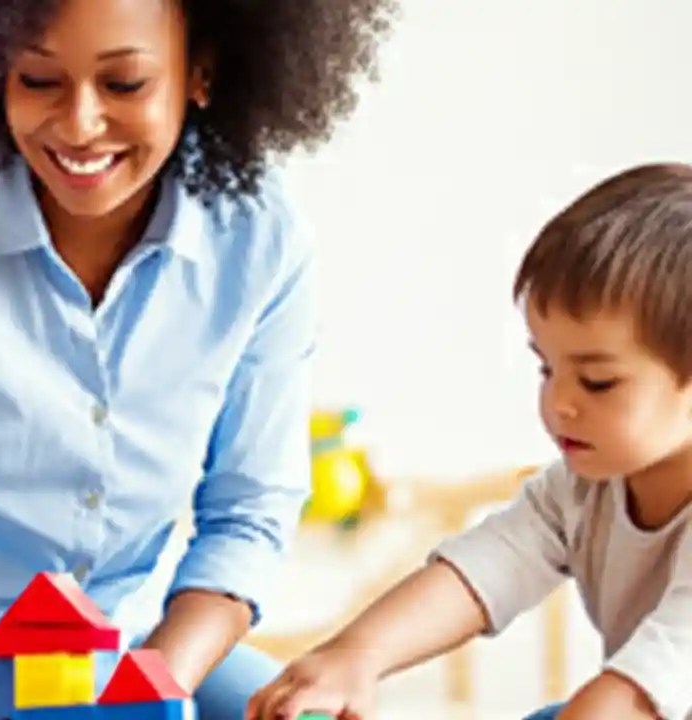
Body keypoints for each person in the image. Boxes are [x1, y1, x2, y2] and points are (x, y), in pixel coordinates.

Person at [0, 0, 396, 717]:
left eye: (124, 85)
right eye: (39, 80)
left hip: (133, 654)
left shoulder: (260, 239)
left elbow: (248, 514)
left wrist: (150, 687)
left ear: (199, 72)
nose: (80, 124)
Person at [247, 163, 692, 720]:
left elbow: (636, 695)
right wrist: (359, 653)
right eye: (545, 369)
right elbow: (486, 566)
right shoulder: (583, 487)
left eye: (597, 382)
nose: (559, 404)